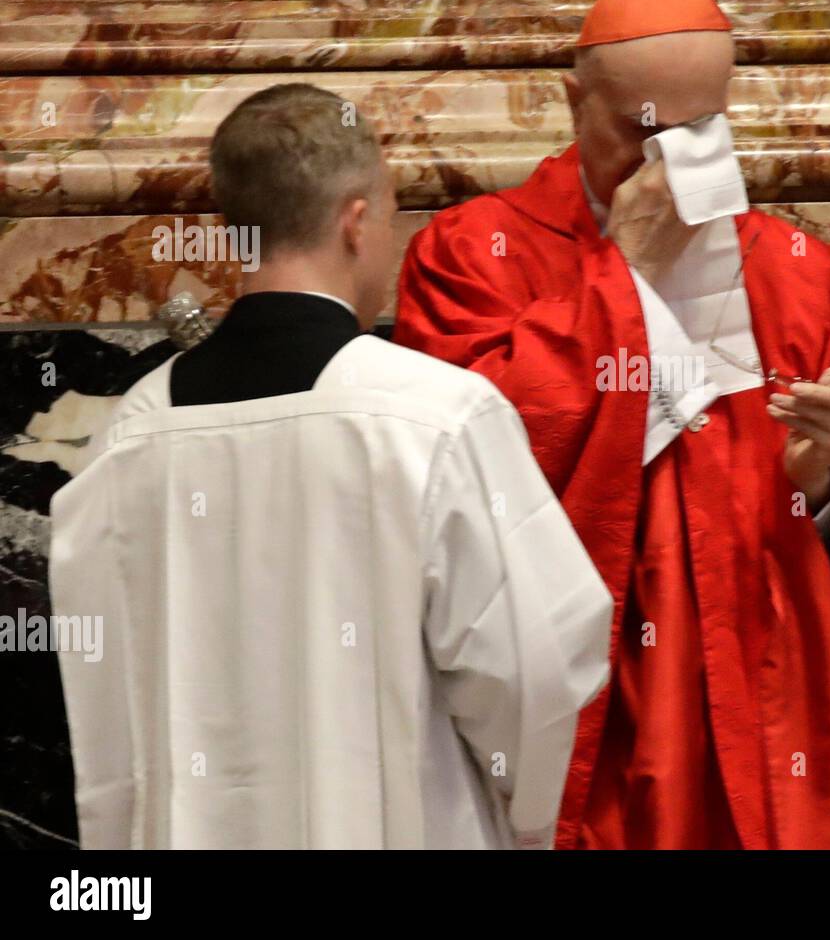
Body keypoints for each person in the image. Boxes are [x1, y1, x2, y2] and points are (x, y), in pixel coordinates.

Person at [394, 0, 830, 849]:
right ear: (572, 99)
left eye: (701, 130)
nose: (667, 164)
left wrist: (825, 490)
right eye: (640, 132)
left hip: (793, 717)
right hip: (604, 714)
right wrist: (621, 271)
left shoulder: (800, 270)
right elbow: (458, 480)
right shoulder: (473, 255)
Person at [49, 83, 612, 850]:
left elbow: (107, 718)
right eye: (389, 217)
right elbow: (532, 673)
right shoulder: (436, 417)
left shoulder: (127, 441)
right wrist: (524, 820)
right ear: (355, 223)